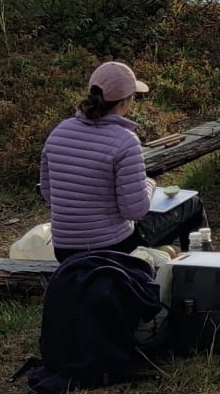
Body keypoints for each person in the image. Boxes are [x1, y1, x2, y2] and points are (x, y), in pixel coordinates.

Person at [40, 60, 156, 262]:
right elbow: (135, 211)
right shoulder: (125, 141)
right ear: (124, 102)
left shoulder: (59, 131)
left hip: (64, 250)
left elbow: (48, 192)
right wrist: (149, 185)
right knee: (190, 209)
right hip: (111, 248)